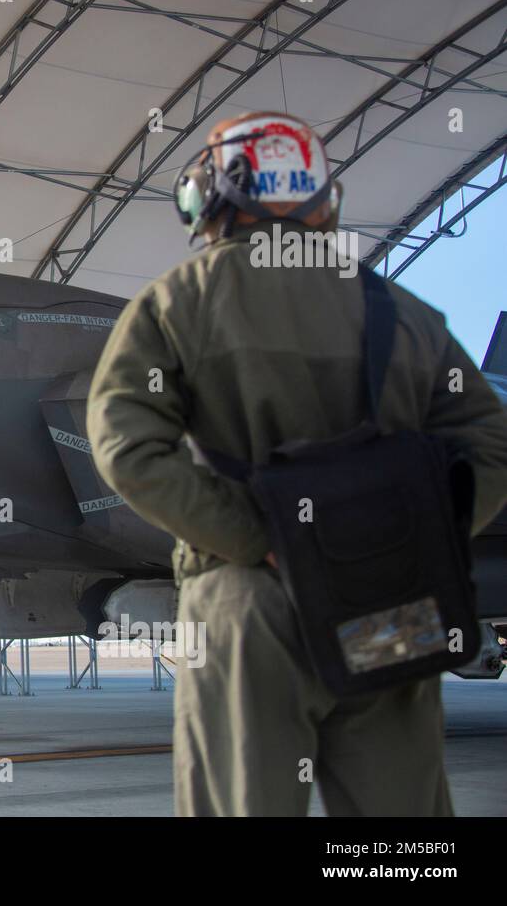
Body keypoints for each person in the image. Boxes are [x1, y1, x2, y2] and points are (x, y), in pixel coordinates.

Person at [85, 110, 507, 816]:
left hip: (250, 609)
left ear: (221, 191)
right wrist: (401, 542)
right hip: (390, 607)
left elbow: (128, 448)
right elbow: (491, 446)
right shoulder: (405, 313)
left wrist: (260, 538)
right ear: (321, 200)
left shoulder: (175, 304)